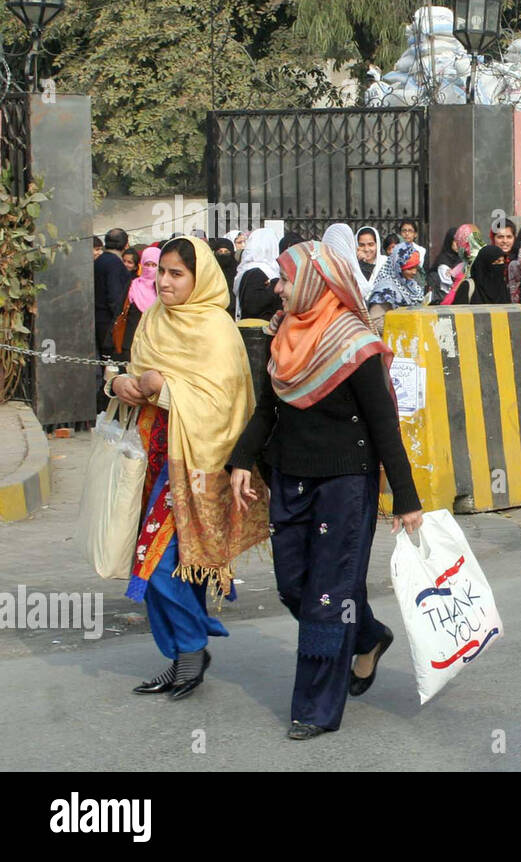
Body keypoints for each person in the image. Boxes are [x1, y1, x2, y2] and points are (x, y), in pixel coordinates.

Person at [229, 238, 422, 739]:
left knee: (326, 596)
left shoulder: (353, 345)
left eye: (287, 279)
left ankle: (314, 708)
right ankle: (370, 637)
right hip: (290, 477)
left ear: (315, 283)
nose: (278, 287)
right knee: (294, 585)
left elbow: (384, 426)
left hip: (346, 483)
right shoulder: (281, 336)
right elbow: (267, 410)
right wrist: (242, 460)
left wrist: (405, 497)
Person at [106, 236, 270, 700]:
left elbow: (226, 406)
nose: (165, 281)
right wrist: (121, 383)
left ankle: (192, 649)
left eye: (177, 274)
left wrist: (164, 390)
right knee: (180, 566)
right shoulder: (155, 318)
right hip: (151, 456)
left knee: (157, 564)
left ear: (200, 279)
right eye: (162, 272)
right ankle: (184, 657)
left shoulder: (217, 329)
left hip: (195, 464)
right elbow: (133, 371)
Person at [94, 228, 135, 409]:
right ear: (126, 245)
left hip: (97, 317)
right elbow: (115, 297)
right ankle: (105, 403)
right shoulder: (115, 265)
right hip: (108, 322)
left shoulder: (99, 261)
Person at [105, 246, 161, 364]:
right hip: (130, 344)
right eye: (147, 264)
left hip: (156, 345)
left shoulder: (163, 289)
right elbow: (120, 311)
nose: (150, 269)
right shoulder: (133, 286)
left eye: (154, 265)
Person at [366, 240, 426, 334]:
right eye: (409, 268)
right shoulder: (385, 290)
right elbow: (376, 322)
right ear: (398, 267)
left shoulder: (410, 285)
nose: (414, 272)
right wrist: (404, 327)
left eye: (415, 267)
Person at [233, 228, 282, 322]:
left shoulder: (247, 268)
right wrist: (274, 284)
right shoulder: (257, 272)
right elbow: (253, 305)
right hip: (259, 329)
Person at [355, 225, 384, 299]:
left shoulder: (385, 263)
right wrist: (362, 265)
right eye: (361, 245)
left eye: (371, 244)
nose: (366, 249)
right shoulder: (352, 266)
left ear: (377, 245)